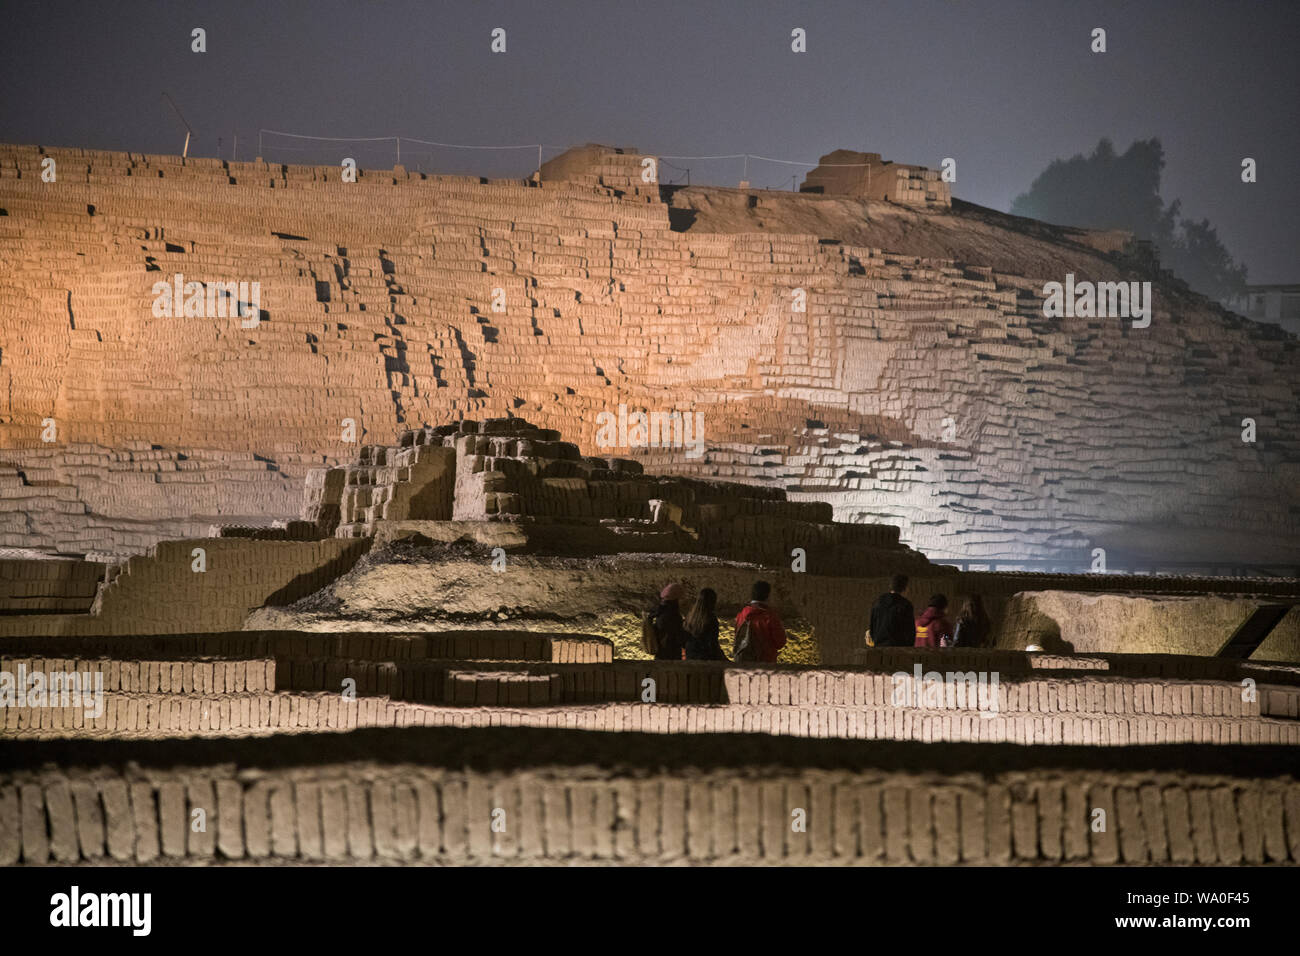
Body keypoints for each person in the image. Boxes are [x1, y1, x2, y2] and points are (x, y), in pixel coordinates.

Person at [733, 580, 787, 663]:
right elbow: (780, 642)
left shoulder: (741, 615)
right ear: (768, 596)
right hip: (765, 665)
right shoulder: (770, 617)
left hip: (743, 662)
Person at [868, 574, 916, 647]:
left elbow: (872, 626)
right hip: (898, 649)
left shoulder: (877, 602)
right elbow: (910, 631)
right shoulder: (905, 605)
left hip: (879, 648)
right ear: (905, 588)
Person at [683, 587, 727, 661]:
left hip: (690, 655)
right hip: (705, 657)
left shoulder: (690, 617)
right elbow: (712, 643)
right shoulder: (711, 619)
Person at [647, 582, 688, 660]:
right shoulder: (673, 616)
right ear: (676, 600)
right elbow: (679, 638)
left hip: (660, 654)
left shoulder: (659, 612)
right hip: (671, 655)